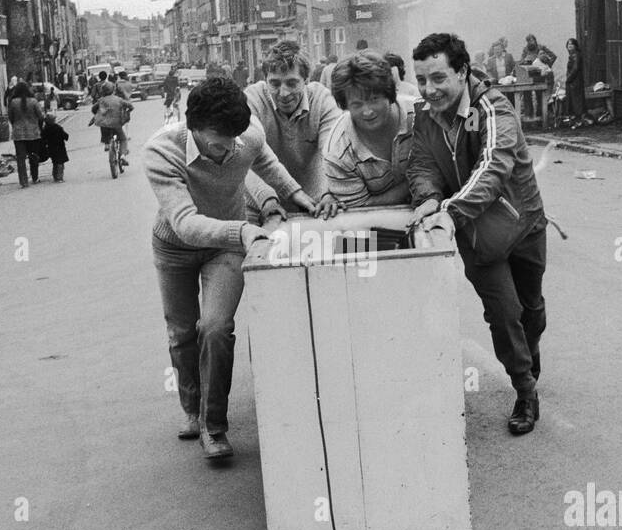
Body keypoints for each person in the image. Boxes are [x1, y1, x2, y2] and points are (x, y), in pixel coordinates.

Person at [145, 78, 320, 459]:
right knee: (181, 334)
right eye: (215, 139)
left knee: (216, 328)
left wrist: (297, 196)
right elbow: (185, 223)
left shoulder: (247, 136)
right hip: (176, 247)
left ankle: (214, 426)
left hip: (224, 249)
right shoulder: (161, 151)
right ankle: (191, 408)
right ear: (192, 126)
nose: (226, 148)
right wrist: (243, 230)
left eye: (233, 138)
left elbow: (265, 163)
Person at [407, 32, 547, 436]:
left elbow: (492, 167)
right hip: (475, 235)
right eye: (421, 80)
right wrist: (431, 197)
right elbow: (420, 165)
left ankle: (529, 351)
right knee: (503, 316)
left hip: (523, 224)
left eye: (438, 78)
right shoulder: (424, 114)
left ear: (463, 71)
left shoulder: (493, 108)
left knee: (530, 310)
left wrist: (449, 210)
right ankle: (524, 389)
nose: (429, 90)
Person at [243, 40, 345, 220]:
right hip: (260, 206)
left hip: (314, 205)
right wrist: (267, 200)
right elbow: (244, 160)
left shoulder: (322, 99)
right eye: (274, 83)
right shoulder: (251, 99)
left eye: (292, 83)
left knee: (347, 243)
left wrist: (327, 193)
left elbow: (330, 154)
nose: (283, 93)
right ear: (265, 79)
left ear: (306, 80)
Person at [323, 51, 418, 213]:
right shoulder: (337, 150)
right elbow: (360, 209)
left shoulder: (420, 115)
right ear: (345, 105)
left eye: (374, 99)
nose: (367, 112)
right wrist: (413, 183)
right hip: (375, 228)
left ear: (390, 94)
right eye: (357, 104)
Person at [7, 80, 45, 187]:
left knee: (21, 158)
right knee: (33, 156)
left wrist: (16, 125)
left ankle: (23, 181)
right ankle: (35, 177)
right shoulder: (33, 101)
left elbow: (10, 117)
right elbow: (41, 116)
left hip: (18, 134)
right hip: (33, 133)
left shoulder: (13, 102)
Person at [93, 84, 133, 165]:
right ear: (113, 90)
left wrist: (97, 113)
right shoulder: (118, 99)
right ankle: (122, 156)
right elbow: (130, 106)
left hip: (104, 125)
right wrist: (128, 111)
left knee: (103, 127)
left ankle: (107, 144)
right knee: (123, 139)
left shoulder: (101, 100)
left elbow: (93, 109)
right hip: (116, 124)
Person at [40, 115, 70, 183]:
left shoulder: (45, 129)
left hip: (51, 148)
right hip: (60, 147)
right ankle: (60, 177)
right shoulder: (58, 128)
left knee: (55, 162)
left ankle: (55, 176)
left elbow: (43, 139)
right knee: (60, 163)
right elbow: (66, 136)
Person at [564, 38, 587, 124]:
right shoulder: (572, 55)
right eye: (568, 44)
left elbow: (575, 68)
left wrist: (569, 78)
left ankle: (579, 119)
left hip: (575, 81)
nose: (569, 46)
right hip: (572, 81)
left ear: (575, 46)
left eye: (571, 44)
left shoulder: (576, 55)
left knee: (576, 101)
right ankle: (576, 119)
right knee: (573, 101)